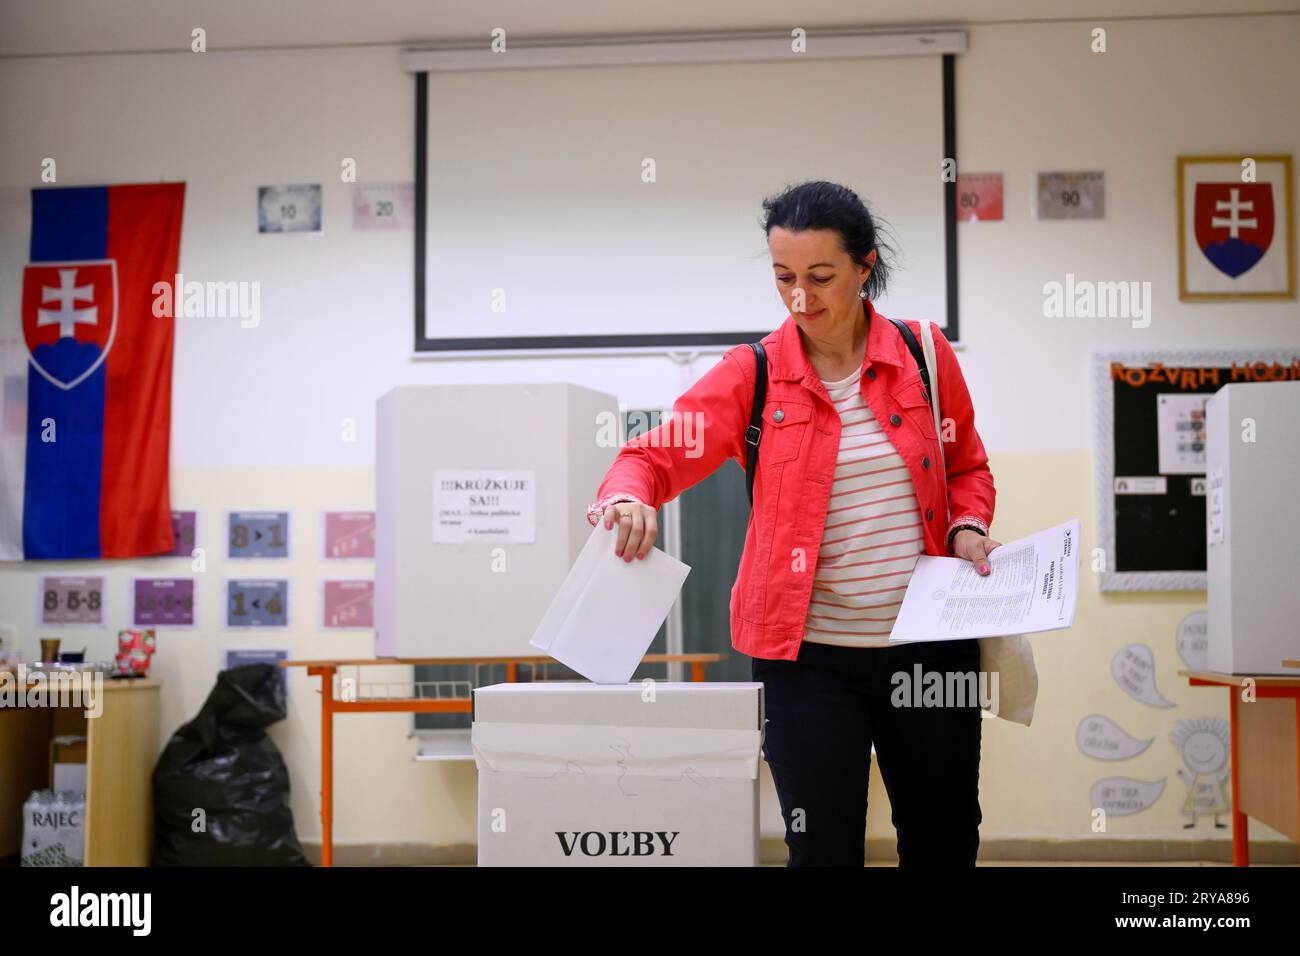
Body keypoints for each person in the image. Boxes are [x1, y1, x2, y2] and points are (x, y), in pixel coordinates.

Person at [584, 180, 1000, 866]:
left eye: (821, 277)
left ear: (865, 268)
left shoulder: (923, 354)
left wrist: (967, 527)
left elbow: (967, 470)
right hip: (808, 663)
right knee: (821, 849)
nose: (800, 298)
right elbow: (647, 458)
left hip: (930, 649)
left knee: (944, 841)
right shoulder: (752, 373)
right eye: (784, 278)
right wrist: (628, 497)